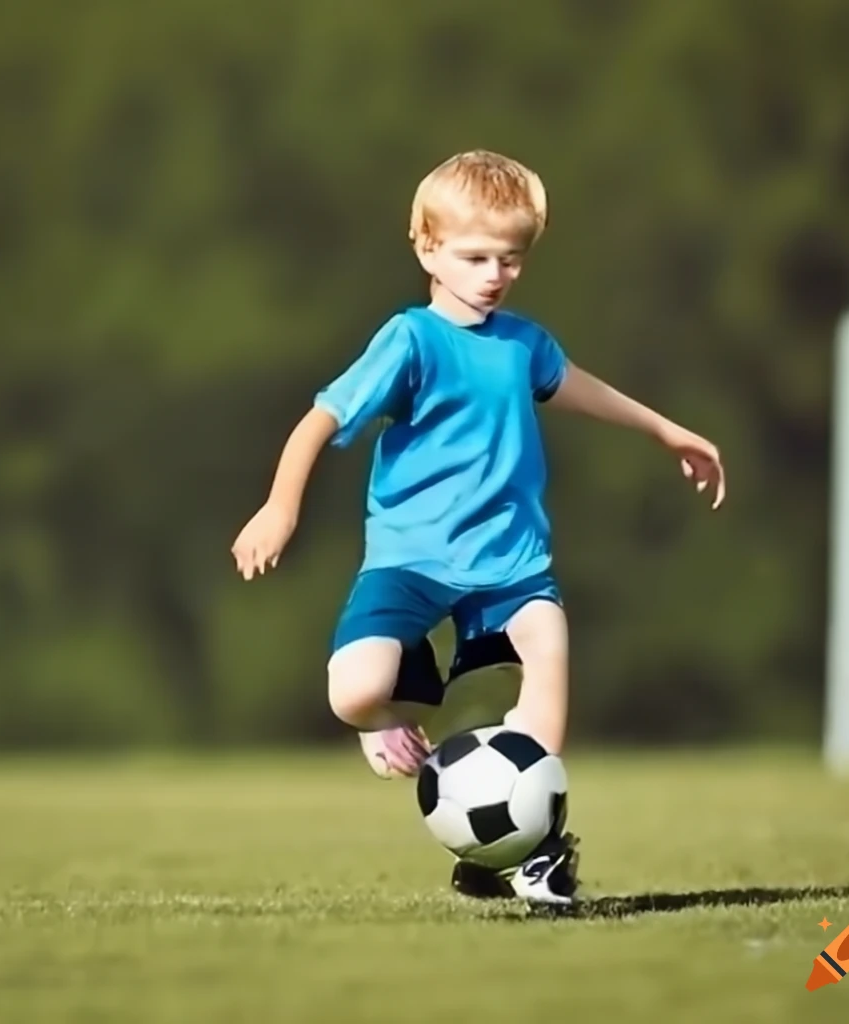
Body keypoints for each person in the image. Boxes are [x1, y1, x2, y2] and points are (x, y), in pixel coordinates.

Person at [231, 150, 726, 905]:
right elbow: (320, 420)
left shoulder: (523, 344)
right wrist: (280, 507)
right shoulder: (411, 341)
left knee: (549, 657)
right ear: (428, 248)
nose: (495, 274)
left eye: (511, 259)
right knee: (352, 692)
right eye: (476, 256)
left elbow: (576, 385)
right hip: (411, 562)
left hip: (512, 565)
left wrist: (666, 431)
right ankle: (387, 722)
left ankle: (534, 849)